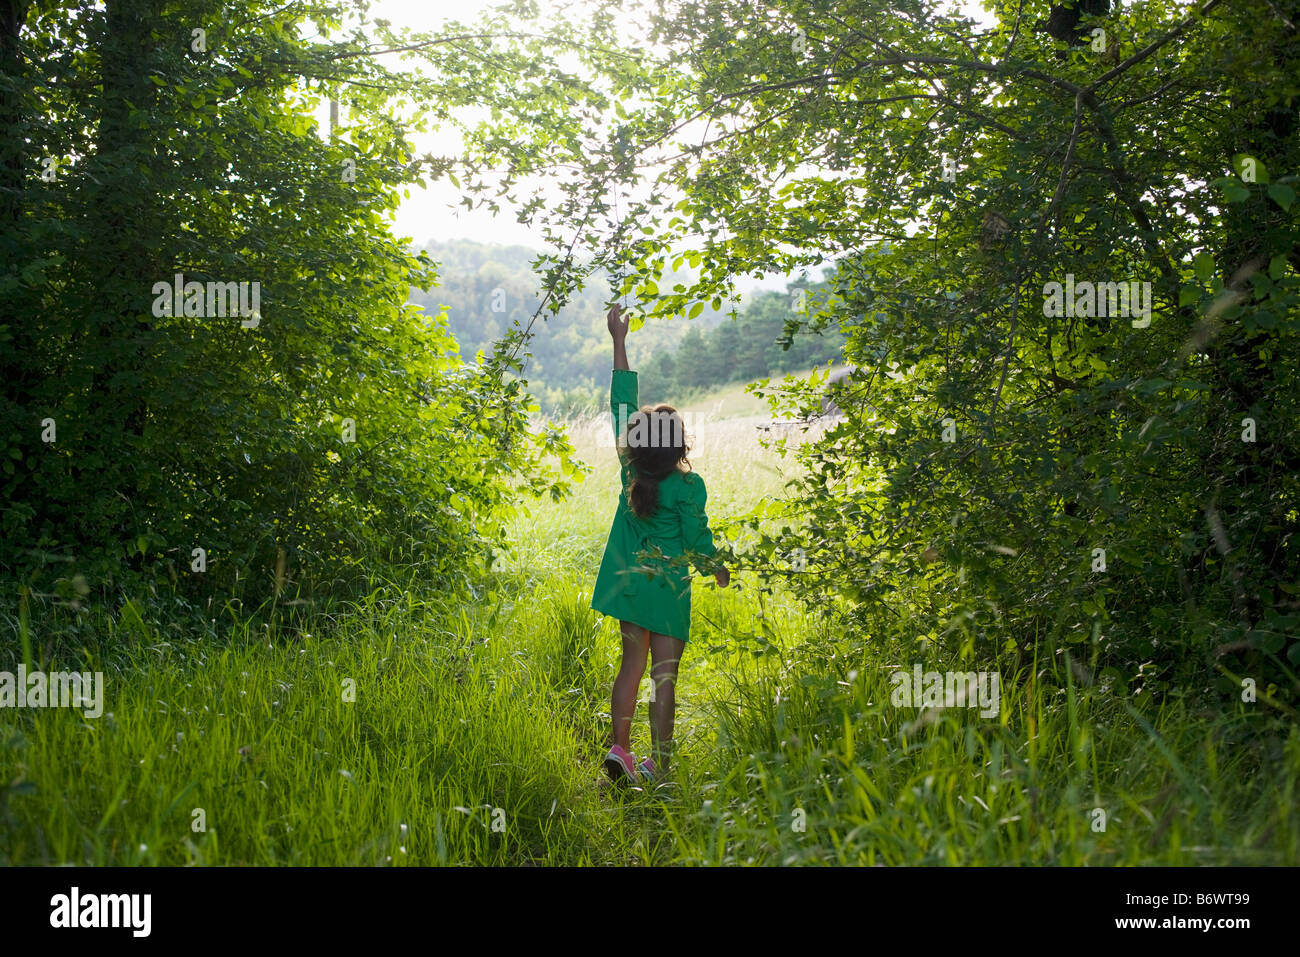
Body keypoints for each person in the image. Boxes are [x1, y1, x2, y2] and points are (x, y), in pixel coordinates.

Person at [591, 303, 729, 786]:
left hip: (632, 587)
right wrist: (717, 566)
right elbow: (696, 540)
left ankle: (621, 751)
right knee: (663, 677)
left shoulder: (632, 473)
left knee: (631, 664)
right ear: (678, 448)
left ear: (639, 446)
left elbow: (623, 405)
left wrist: (619, 340)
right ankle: (660, 767)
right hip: (668, 590)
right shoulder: (688, 487)